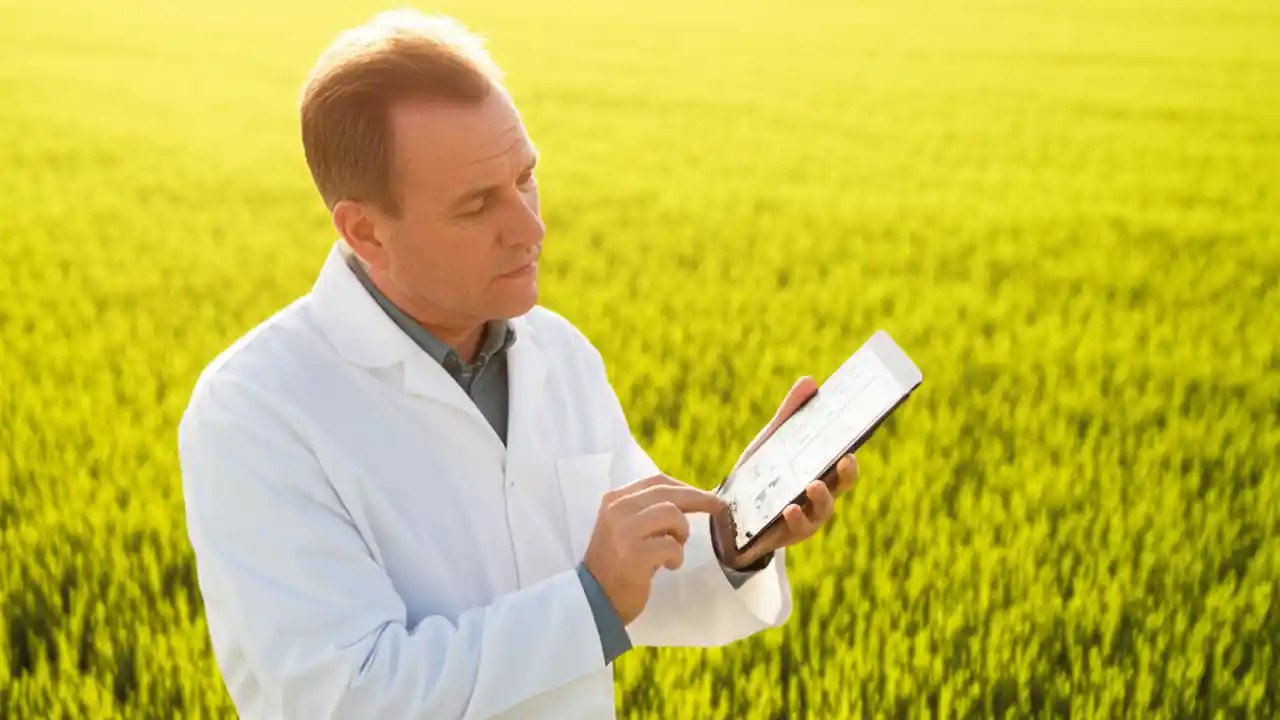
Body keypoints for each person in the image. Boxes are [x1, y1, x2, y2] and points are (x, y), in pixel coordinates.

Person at [176, 8, 860, 719]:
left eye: (526, 179)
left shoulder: (556, 353)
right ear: (365, 229)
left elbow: (630, 581)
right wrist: (588, 601)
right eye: (477, 206)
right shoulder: (255, 411)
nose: (532, 228)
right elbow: (347, 695)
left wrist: (728, 541)